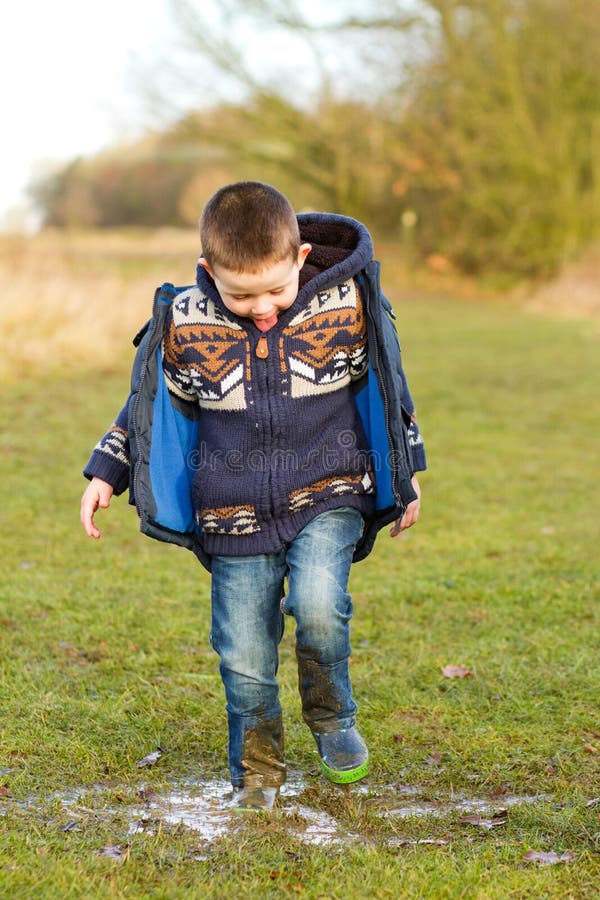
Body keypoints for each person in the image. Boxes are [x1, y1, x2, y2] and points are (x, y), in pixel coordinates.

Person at [80, 181, 426, 811]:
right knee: (243, 651)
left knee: (320, 605)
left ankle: (332, 716)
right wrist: (108, 470)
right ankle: (259, 765)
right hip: (231, 511)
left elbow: (388, 385)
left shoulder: (344, 307)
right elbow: (149, 407)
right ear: (210, 272)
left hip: (330, 488)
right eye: (241, 295)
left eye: (275, 289)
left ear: (300, 258)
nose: (262, 308)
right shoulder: (187, 323)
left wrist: (407, 475)